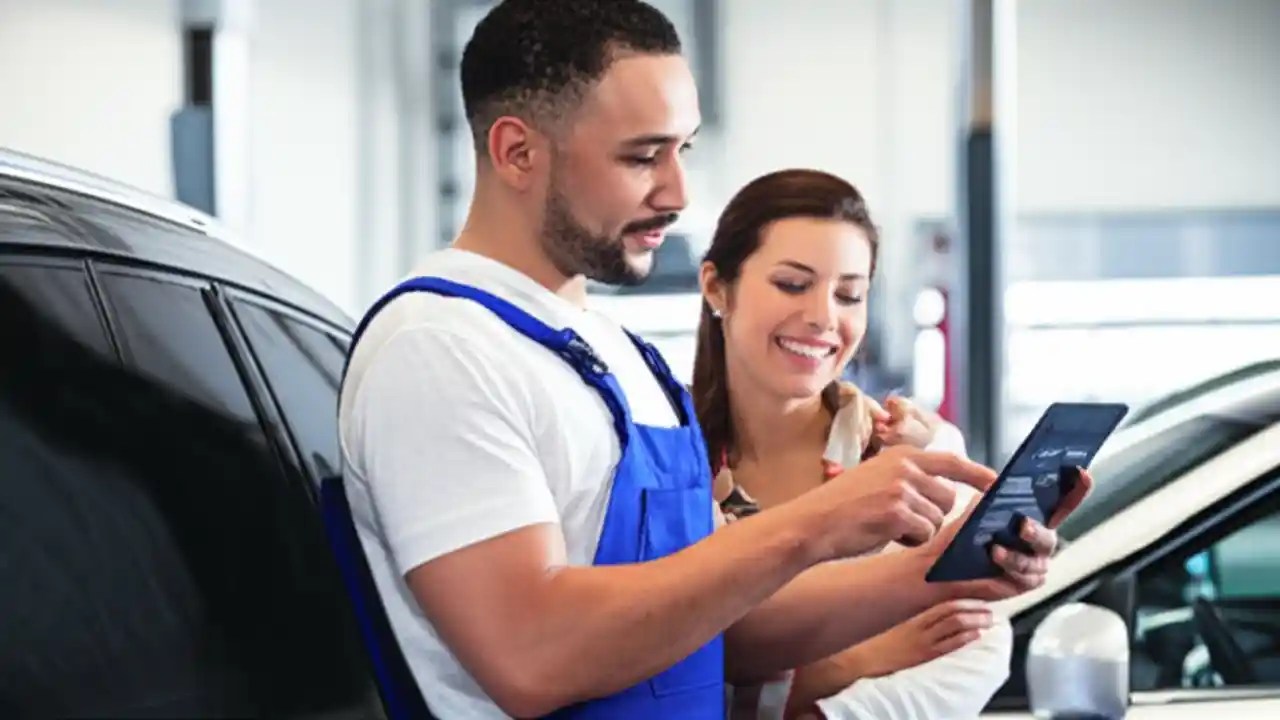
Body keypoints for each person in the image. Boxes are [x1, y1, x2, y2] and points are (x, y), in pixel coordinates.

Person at [336, 2, 1089, 718]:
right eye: (642, 157)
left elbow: (713, 631)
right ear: (517, 151)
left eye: (682, 150)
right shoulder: (440, 351)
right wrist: (820, 523)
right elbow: (533, 654)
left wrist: (944, 572)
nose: (678, 192)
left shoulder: (619, 359)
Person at [693, 169, 1035, 719]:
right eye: (792, 284)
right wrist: (852, 661)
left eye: (849, 295)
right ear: (716, 286)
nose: (824, 317)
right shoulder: (663, 455)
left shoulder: (914, 456)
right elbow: (647, 655)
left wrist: (828, 711)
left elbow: (976, 645)